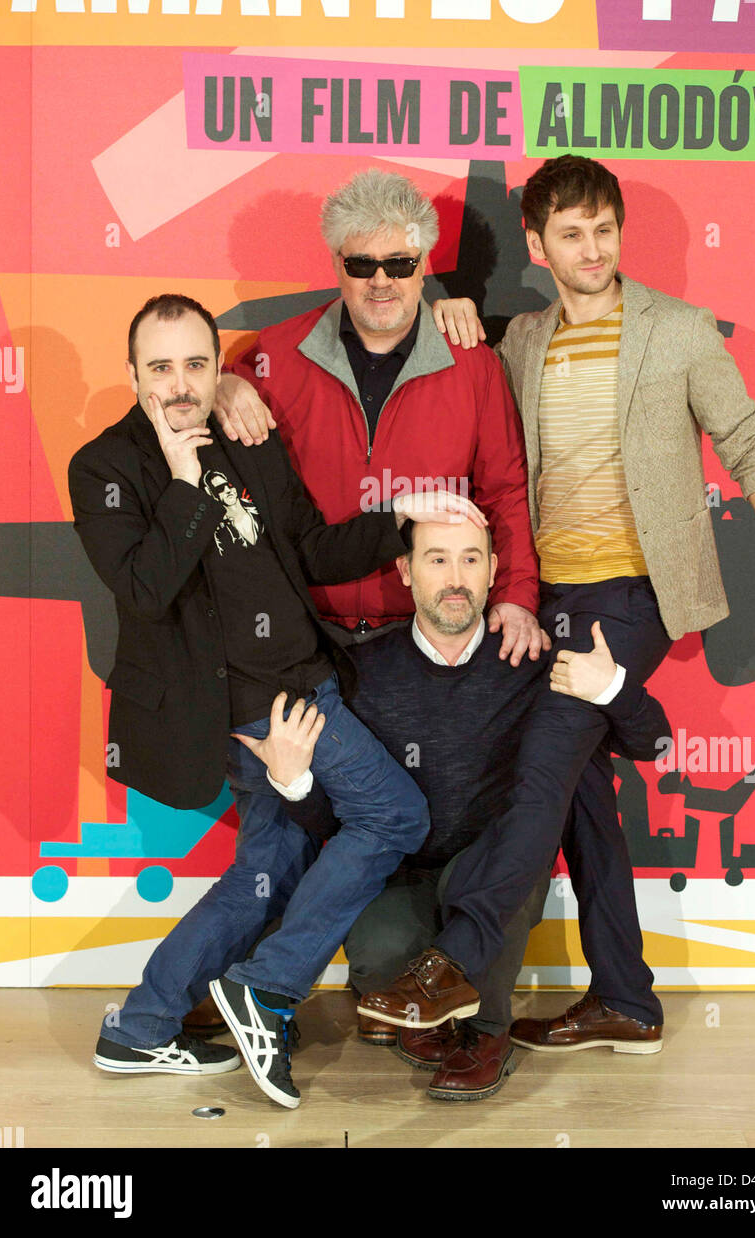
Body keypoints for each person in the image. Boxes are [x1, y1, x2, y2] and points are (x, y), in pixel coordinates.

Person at [358, 154, 755, 1047]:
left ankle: (456, 960)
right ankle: (627, 998)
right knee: (581, 798)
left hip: (633, 589)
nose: (593, 249)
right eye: (572, 234)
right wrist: (452, 305)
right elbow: (435, 348)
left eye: (605, 230)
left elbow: (753, 443)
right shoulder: (523, 340)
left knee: (542, 760)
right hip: (548, 594)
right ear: (537, 243)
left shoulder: (678, 331)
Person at [68, 293, 487, 1109]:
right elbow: (146, 589)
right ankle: (267, 990)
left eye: (197, 364)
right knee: (394, 815)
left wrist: (399, 518)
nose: (181, 385)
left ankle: (142, 1025)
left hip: (307, 676)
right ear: (131, 375)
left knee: (269, 865)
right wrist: (186, 479)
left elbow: (309, 550)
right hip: (257, 706)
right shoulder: (106, 467)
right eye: (161, 369)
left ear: (217, 362)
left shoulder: (244, 436)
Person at [242, 514, 672, 1101]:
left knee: (505, 870)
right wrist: (294, 782)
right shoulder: (361, 670)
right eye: (436, 559)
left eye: (471, 559)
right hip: (402, 875)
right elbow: (333, 825)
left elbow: (654, 743)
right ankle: (429, 1008)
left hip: (494, 871)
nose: (455, 578)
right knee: (378, 954)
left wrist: (612, 686)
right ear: (405, 570)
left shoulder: (533, 658)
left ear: (495, 571)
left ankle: (487, 1034)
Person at [212, 167, 545, 665]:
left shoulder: (474, 363)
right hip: (303, 632)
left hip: (428, 635)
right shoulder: (274, 356)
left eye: (401, 264)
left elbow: (504, 491)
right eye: (362, 264)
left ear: (424, 262)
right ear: (336, 262)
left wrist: (516, 596)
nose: (382, 281)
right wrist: (221, 383)